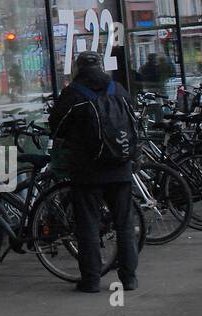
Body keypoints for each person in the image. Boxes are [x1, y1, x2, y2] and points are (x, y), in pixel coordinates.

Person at [48, 51, 140, 293]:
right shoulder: (117, 89)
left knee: (87, 225)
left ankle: (91, 280)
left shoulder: (74, 93)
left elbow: (56, 126)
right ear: (99, 66)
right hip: (120, 167)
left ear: (78, 69)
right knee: (124, 225)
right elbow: (133, 122)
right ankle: (129, 278)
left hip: (88, 171)